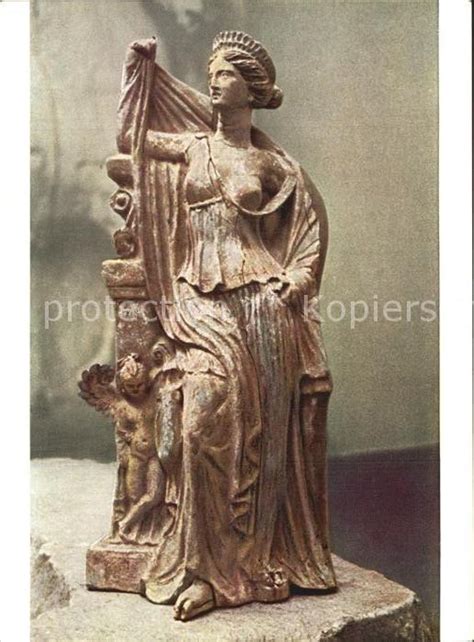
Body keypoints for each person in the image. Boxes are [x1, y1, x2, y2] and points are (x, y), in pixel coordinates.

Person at [116, 30, 337, 621]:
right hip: (196, 306)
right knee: (198, 431)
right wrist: (137, 72)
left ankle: (242, 567)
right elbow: (131, 139)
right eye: (211, 73)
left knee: (260, 442)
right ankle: (204, 566)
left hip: (262, 308)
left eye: (225, 74)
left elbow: (309, 229)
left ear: (252, 88)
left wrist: (297, 280)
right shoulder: (192, 148)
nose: (213, 81)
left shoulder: (272, 164)